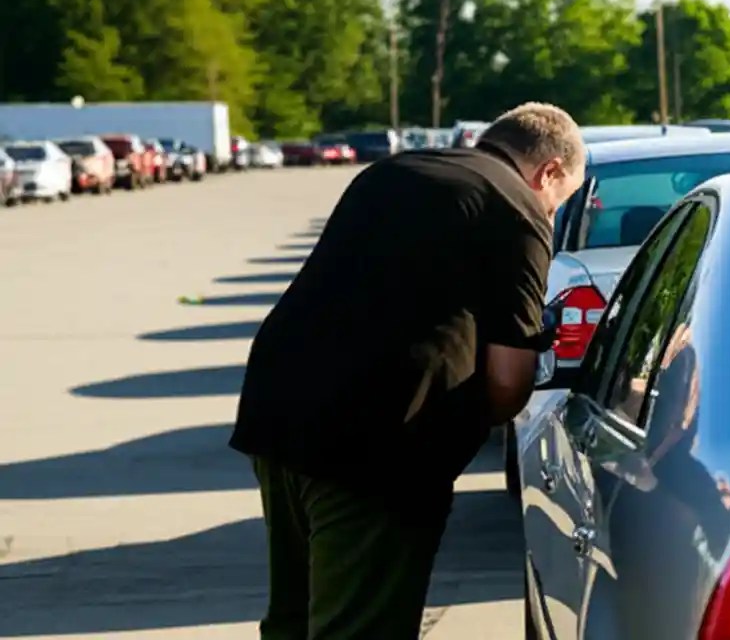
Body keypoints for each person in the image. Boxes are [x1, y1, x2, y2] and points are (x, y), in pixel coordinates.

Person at [228, 102, 586, 639]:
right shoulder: (516, 208)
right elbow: (510, 379)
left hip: (277, 409)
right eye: (561, 201)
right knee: (359, 628)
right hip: (377, 441)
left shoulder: (394, 171)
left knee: (293, 623)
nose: (553, 213)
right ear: (549, 172)